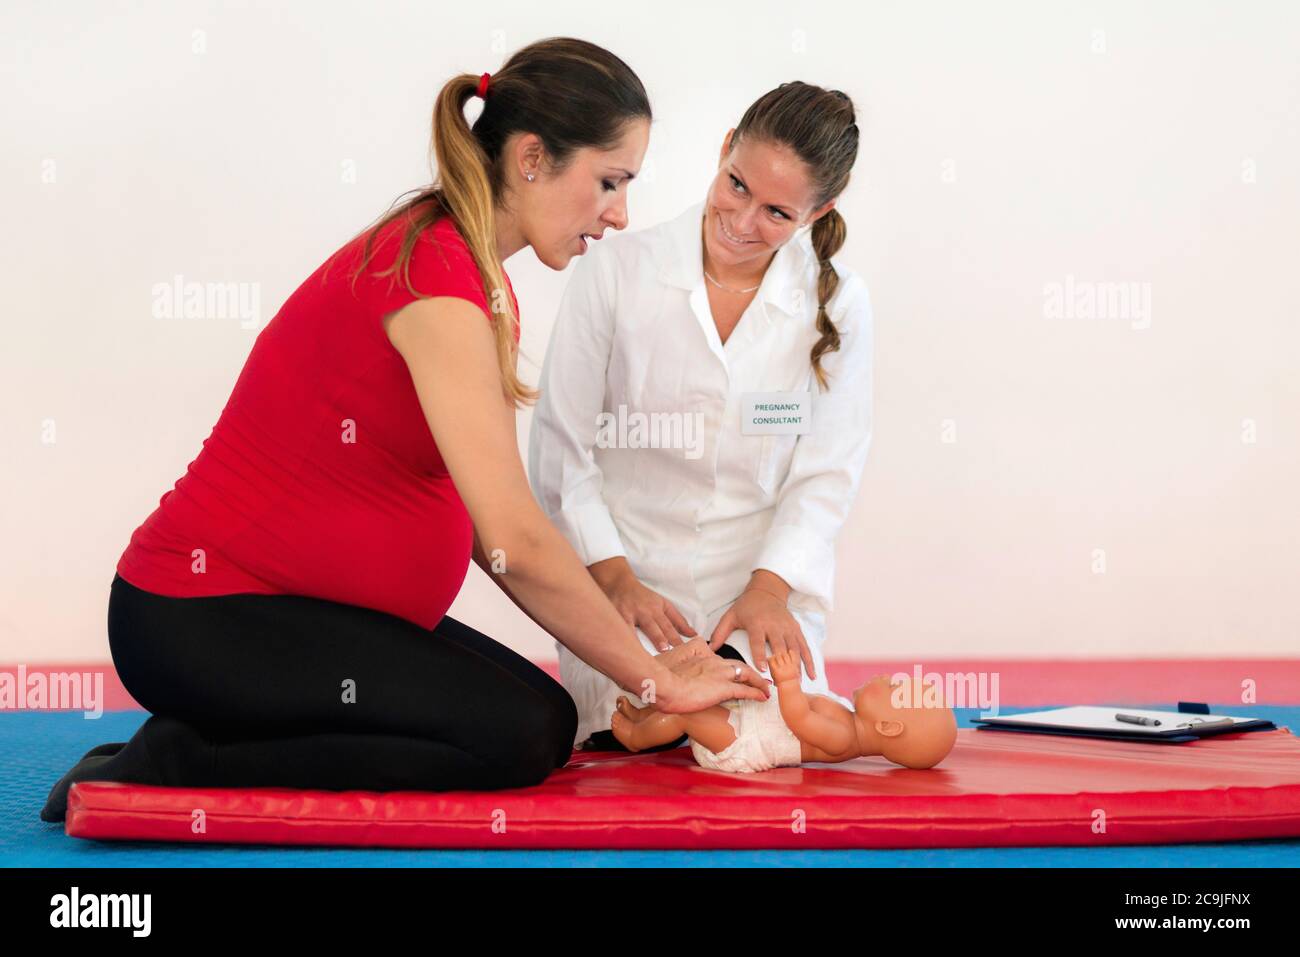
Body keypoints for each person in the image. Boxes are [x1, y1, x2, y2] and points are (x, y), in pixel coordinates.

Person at [40, 37, 769, 823]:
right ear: (531, 159)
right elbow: (514, 542)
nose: (620, 213)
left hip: (277, 614)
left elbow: (496, 525)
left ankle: (212, 732)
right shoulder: (435, 277)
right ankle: (180, 756)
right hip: (202, 614)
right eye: (608, 182)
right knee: (514, 735)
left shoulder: (470, 273)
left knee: (547, 721)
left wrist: (639, 657)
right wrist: (657, 680)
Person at [529, 81, 872, 751]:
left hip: (760, 592)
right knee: (636, 719)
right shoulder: (618, 272)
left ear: (819, 210)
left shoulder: (842, 304)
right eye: (737, 185)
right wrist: (616, 579)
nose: (743, 224)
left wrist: (770, 590)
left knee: (763, 730)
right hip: (628, 586)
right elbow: (561, 452)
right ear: (723, 151)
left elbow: (826, 476)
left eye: (777, 211)